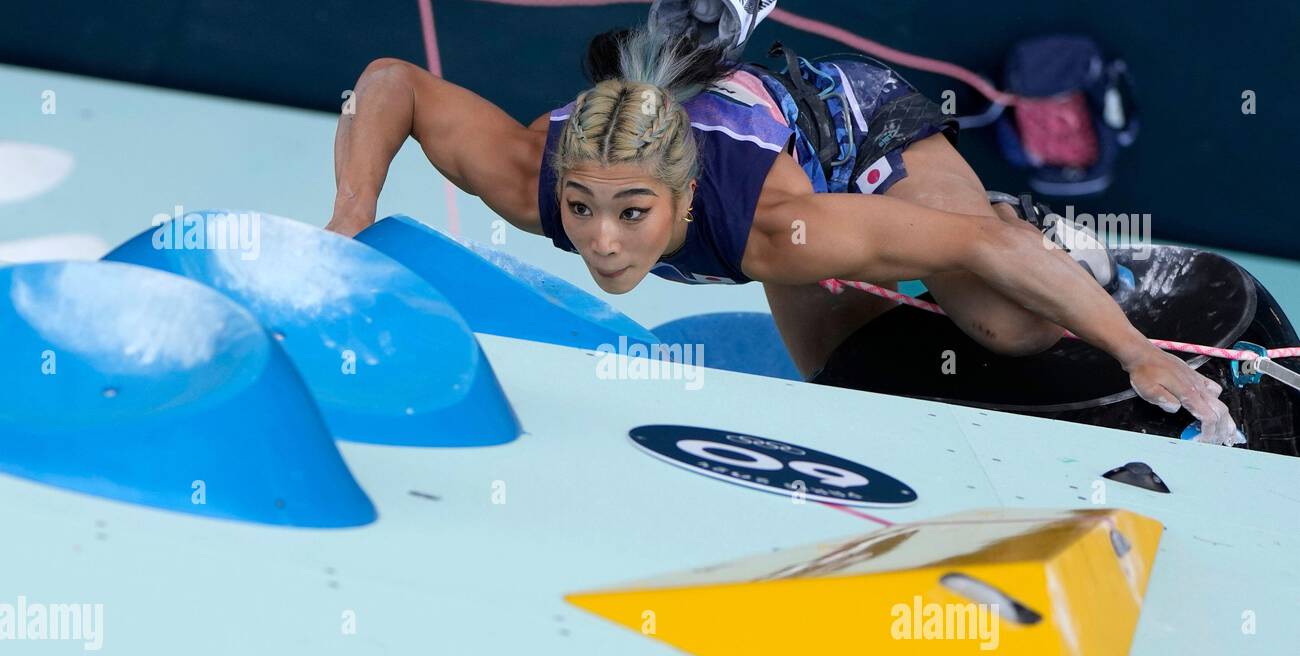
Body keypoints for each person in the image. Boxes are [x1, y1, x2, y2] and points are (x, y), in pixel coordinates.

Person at [325, 22, 1240, 446]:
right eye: (583, 208)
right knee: (840, 377)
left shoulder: (782, 229)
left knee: (1011, 324)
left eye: (632, 213)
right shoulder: (534, 175)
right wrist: (351, 214)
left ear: (683, 197)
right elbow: (393, 79)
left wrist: (1133, 353)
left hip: (848, 125)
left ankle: (1011, 207)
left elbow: (977, 253)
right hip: (769, 164)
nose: (601, 241)